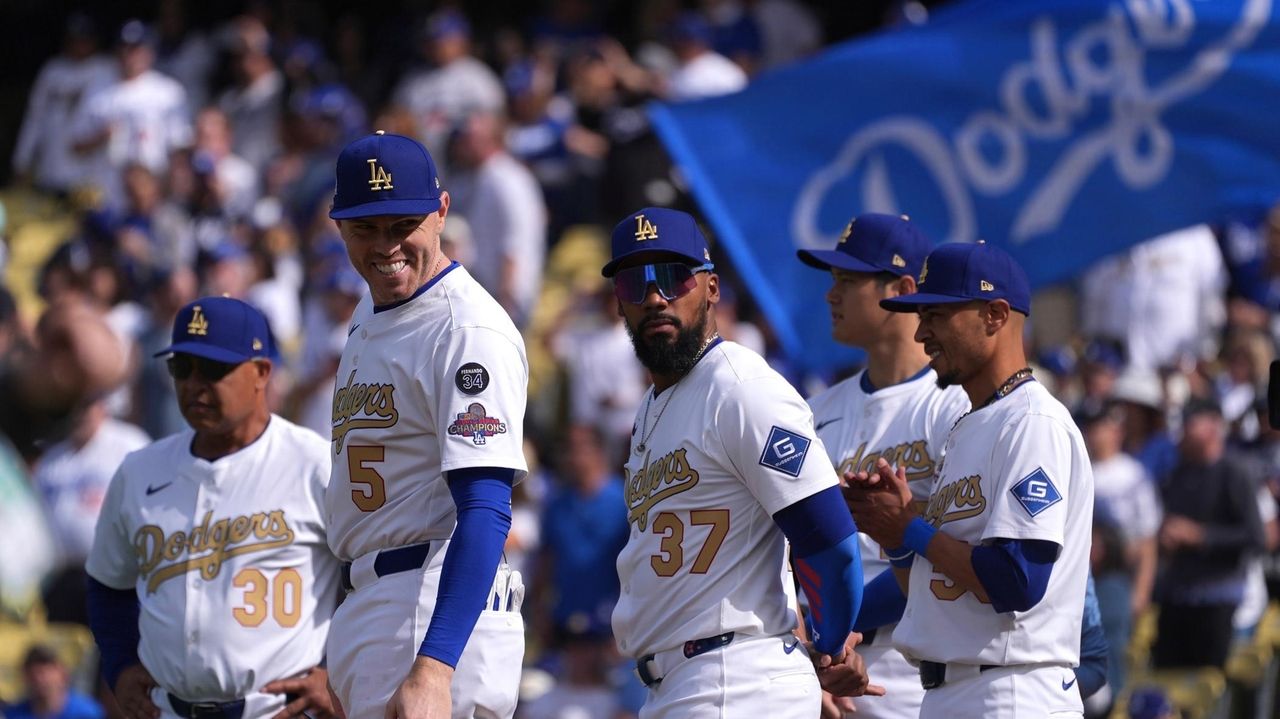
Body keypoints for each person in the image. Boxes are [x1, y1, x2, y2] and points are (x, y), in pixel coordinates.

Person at [604, 207, 871, 717]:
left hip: (730, 679)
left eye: (673, 277)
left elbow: (830, 539)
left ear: (711, 288)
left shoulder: (741, 390)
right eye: (633, 284)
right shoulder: (652, 406)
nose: (655, 297)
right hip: (685, 682)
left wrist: (831, 647)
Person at [324, 130, 527, 719]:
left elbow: (487, 508)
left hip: (433, 604)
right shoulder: (373, 308)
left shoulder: (467, 330)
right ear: (339, 226)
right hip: (379, 602)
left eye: (401, 225)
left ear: (441, 212)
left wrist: (435, 668)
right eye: (366, 228)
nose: (385, 246)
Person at [848, 241, 1095, 718]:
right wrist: (896, 537)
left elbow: (1016, 580)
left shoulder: (1032, 421)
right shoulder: (971, 425)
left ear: (996, 315)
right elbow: (929, 587)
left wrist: (912, 529)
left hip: (1011, 689)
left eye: (937, 315)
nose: (921, 333)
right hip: (956, 691)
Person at [85, 296, 340, 719]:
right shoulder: (138, 470)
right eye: (181, 368)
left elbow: (367, 578)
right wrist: (120, 665)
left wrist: (338, 673)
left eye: (214, 369)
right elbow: (107, 584)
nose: (194, 384)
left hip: (278, 711)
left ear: (261, 373)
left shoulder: (314, 464)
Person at [796, 213, 968, 718]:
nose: (832, 295)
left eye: (848, 281)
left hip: (913, 683)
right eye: (832, 281)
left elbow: (951, 553)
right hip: (822, 679)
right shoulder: (813, 412)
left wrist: (833, 638)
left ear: (905, 288)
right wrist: (809, 652)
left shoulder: (953, 405)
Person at [1152, 398, 1264, 669]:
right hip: (1177, 597)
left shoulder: (1234, 472)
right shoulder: (1177, 474)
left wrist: (1201, 536)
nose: (1185, 430)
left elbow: (1255, 537)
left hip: (1218, 599)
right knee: (1168, 682)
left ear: (1214, 425)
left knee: (1209, 689)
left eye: (1193, 422)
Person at [5, 645, 104, 719]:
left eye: (44, 673)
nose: (40, 679)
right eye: (33, 674)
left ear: (63, 675)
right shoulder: (13, 714)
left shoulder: (86, 714)